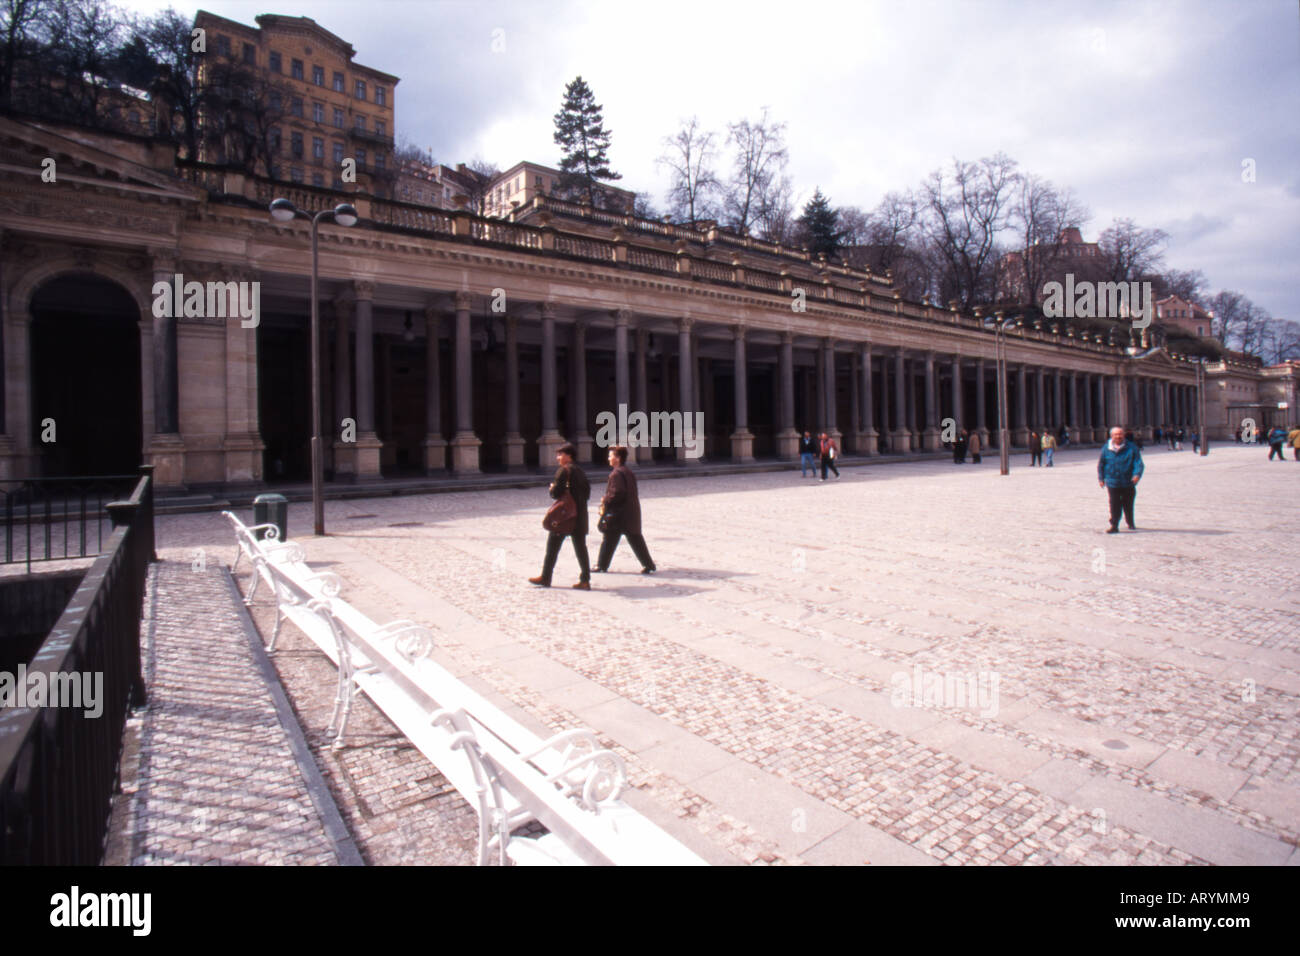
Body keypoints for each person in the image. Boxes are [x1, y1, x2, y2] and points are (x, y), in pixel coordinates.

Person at [529, 443, 591, 589]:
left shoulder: (563, 471)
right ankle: (585, 580)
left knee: (552, 547)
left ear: (569, 456)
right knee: (581, 548)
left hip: (565, 516)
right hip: (580, 515)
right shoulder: (581, 471)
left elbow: (555, 494)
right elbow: (587, 493)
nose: (558, 458)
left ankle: (545, 577)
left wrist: (552, 488)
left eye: (560, 454)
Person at [594, 446, 656, 575]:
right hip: (630, 512)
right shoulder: (628, 471)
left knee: (609, 539)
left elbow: (618, 493)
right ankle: (649, 565)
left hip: (619, 514)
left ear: (617, 458)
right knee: (635, 539)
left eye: (610, 456)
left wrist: (605, 499)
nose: (608, 459)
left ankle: (601, 565)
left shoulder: (616, 474)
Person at [1099, 425, 1144, 533]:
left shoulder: (1132, 447)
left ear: (1124, 435)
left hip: (1128, 480)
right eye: (1115, 434)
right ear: (1111, 436)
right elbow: (1101, 463)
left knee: (1128, 503)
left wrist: (1137, 474)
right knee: (1114, 504)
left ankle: (1130, 521)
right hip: (1112, 480)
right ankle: (1114, 525)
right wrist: (1101, 478)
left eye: (1120, 434)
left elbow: (1138, 463)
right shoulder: (1106, 448)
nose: (1118, 436)